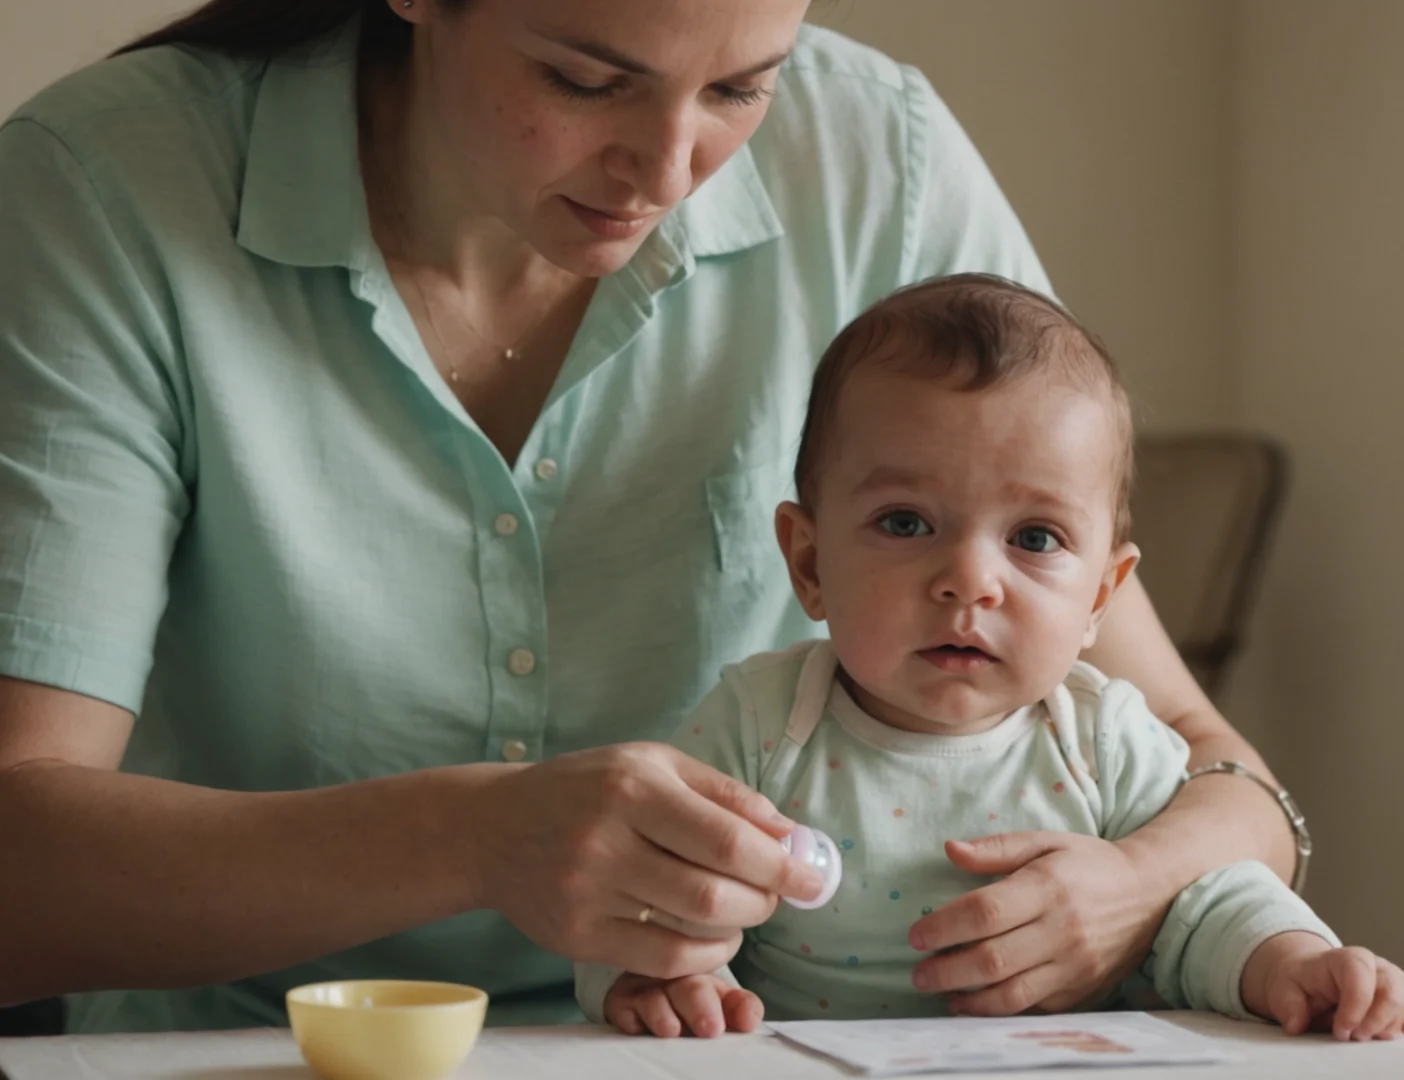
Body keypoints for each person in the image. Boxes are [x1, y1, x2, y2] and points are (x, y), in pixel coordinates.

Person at [0, 0, 1310, 1034]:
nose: (670, 166)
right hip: (261, 1050)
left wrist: (1136, 893)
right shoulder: (107, 192)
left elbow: (1217, 771)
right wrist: (475, 838)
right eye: (584, 78)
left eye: (743, 86)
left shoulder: (877, 162)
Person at [575, 275, 1404, 1041]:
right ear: (809, 562)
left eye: (1034, 538)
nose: (969, 582)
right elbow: (646, 889)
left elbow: (1210, 907)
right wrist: (663, 973)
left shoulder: (1101, 740)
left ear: (1100, 595)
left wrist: (1293, 963)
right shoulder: (757, 728)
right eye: (906, 523)